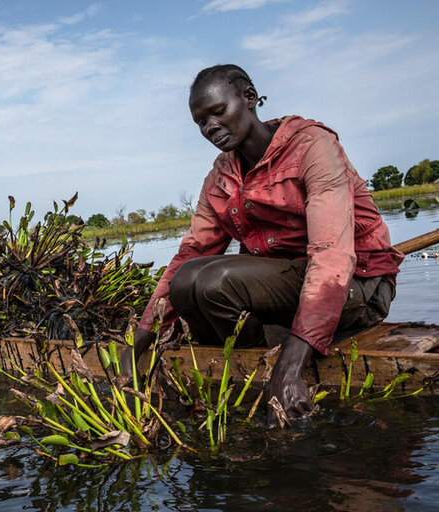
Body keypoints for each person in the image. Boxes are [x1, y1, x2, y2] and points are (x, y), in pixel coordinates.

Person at [125, 64, 404, 423]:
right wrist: (137, 346)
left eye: (218, 112)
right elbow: (190, 253)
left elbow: (331, 256)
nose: (210, 127)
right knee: (185, 282)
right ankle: (254, 362)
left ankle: (278, 371)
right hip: (284, 287)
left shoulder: (312, 146)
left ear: (249, 98)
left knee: (214, 281)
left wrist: (289, 369)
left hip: (359, 285)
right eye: (200, 121)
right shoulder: (221, 175)